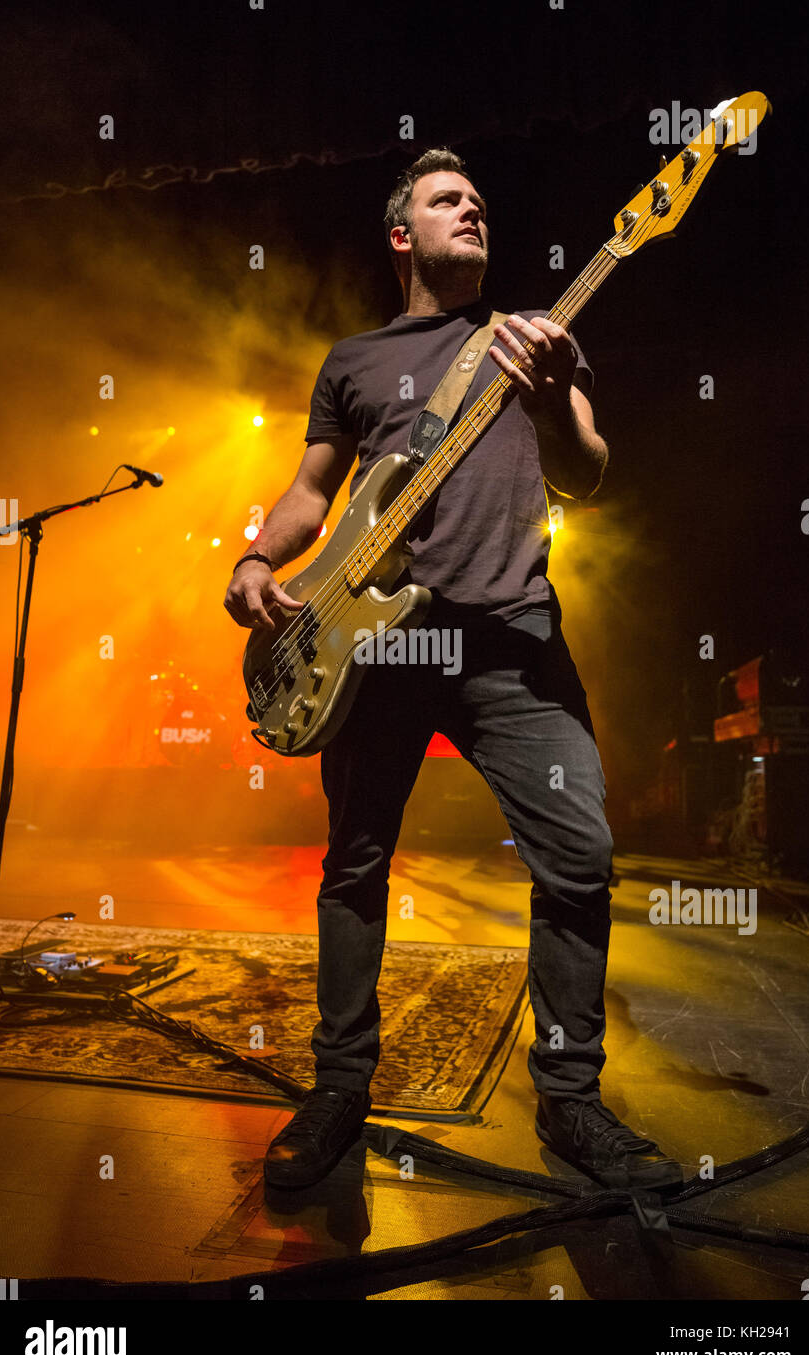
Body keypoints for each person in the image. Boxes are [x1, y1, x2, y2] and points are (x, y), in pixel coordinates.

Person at [224, 148, 681, 1194]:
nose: (471, 205)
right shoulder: (352, 360)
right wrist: (255, 556)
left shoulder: (530, 338)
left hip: (512, 637)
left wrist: (558, 388)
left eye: (478, 197)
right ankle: (339, 1086)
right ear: (402, 235)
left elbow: (587, 472)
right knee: (353, 863)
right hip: (376, 647)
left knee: (577, 855)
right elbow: (308, 494)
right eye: (445, 198)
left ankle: (567, 1100)